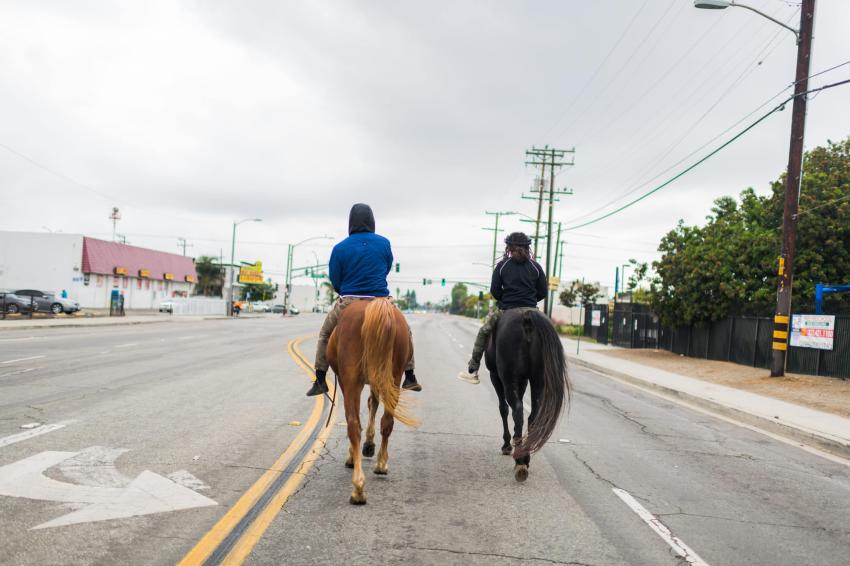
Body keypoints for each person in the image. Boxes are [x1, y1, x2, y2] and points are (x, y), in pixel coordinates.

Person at [306, 203, 421, 396]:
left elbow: (335, 278)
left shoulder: (340, 248)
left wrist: (343, 290)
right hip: (381, 299)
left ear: (350, 222)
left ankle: (320, 379)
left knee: (325, 334)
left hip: (349, 299)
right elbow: (386, 267)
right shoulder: (384, 243)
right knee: (406, 331)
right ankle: (410, 375)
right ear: (372, 221)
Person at [458, 232, 547, 384]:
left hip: (507, 309)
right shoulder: (536, 267)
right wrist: (530, 301)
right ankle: (551, 371)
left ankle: (473, 368)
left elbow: (495, 290)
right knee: (548, 333)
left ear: (509, 248)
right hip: (532, 309)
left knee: (484, 331)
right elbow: (543, 292)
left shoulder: (502, 266)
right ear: (528, 248)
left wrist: (505, 300)